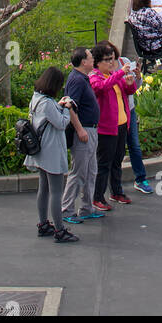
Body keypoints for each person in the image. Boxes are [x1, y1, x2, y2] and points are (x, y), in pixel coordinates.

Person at [25, 66, 82, 243]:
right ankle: (60, 230)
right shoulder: (48, 103)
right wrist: (67, 107)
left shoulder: (36, 99)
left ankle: (43, 224)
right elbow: (62, 123)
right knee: (57, 191)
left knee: (43, 188)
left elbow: (45, 118)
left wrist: (58, 105)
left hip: (41, 150)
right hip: (51, 151)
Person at [88, 43, 140, 210]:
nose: (111, 62)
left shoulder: (112, 75)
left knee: (117, 161)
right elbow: (102, 87)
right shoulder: (95, 77)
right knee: (104, 164)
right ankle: (97, 197)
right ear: (97, 62)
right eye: (107, 59)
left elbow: (128, 91)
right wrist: (119, 73)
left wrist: (131, 82)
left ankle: (116, 192)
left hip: (121, 124)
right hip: (106, 128)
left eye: (112, 59)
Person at [60, 48, 105, 225]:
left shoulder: (82, 78)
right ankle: (67, 209)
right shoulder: (77, 81)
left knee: (91, 170)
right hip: (84, 131)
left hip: (91, 130)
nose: (93, 59)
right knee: (78, 171)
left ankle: (87, 207)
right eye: (90, 57)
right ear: (83, 62)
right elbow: (69, 106)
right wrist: (80, 129)